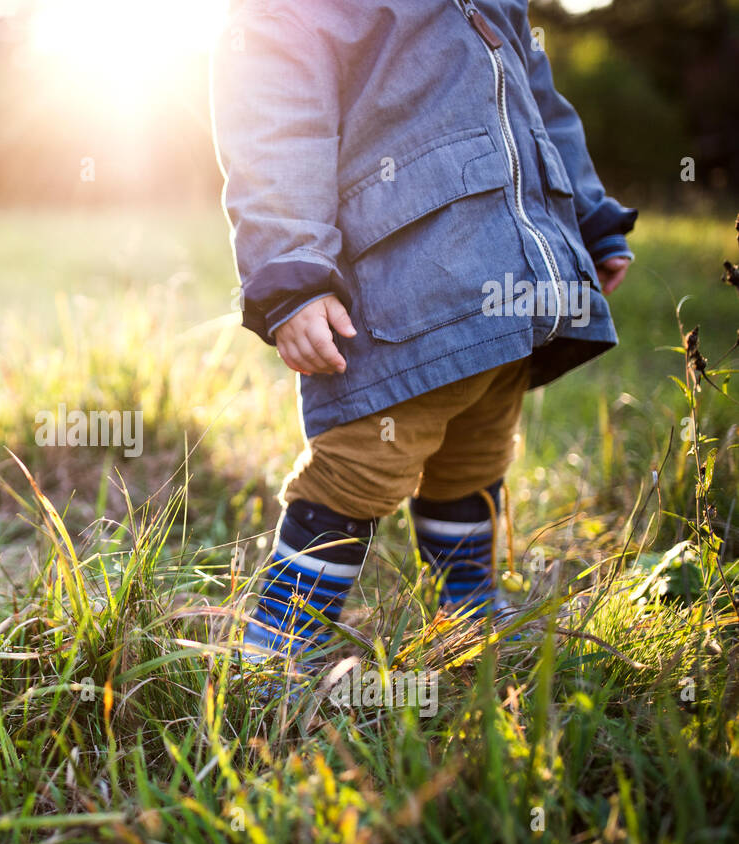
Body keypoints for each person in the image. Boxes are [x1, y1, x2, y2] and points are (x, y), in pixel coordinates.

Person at [210, 0, 636, 667]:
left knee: (476, 455)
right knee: (360, 464)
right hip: (406, 289)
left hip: (514, 284)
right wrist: (292, 271)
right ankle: (274, 655)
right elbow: (273, 126)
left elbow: (541, 105)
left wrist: (590, 215)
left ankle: (466, 615)